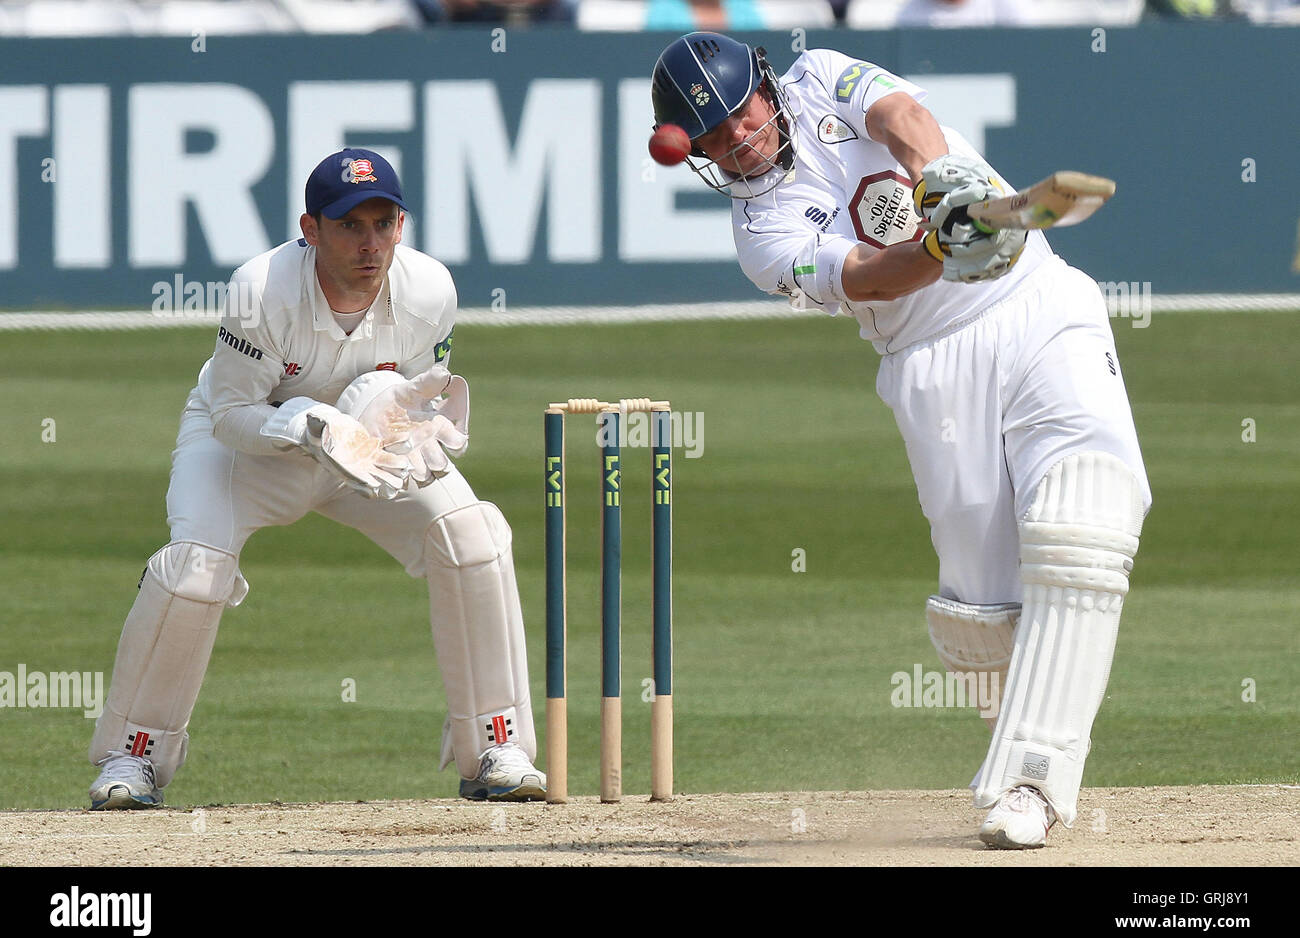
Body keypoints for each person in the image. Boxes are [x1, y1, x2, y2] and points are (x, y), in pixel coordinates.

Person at [651, 33, 1150, 849]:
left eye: (741, 111)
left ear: (768, 89)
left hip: (1039, 297)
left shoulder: (818, 75)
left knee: (1083, 524)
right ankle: (1021, 737)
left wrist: (940, 186)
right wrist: (938, 246)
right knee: (980, 619)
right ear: (694, 150)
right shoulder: (761, 238)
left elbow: (903, 115)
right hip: (932, 363)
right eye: (712, 134)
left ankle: (1029, 782)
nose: (737, 136)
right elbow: (869, 279)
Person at [88, 148, 545, 809]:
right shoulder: (260, 290)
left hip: (366, 454)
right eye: (350, 225)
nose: (371, 244)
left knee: (473, 537)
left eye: (384, 224)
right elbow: (229, 413)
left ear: (400, 225)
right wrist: (305, 427)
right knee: (193, 570)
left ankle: (496, 747)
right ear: (311, 230)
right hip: (254, 448)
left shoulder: (430, 290)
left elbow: (413, 392)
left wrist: (397, 431)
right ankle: (132, 761)